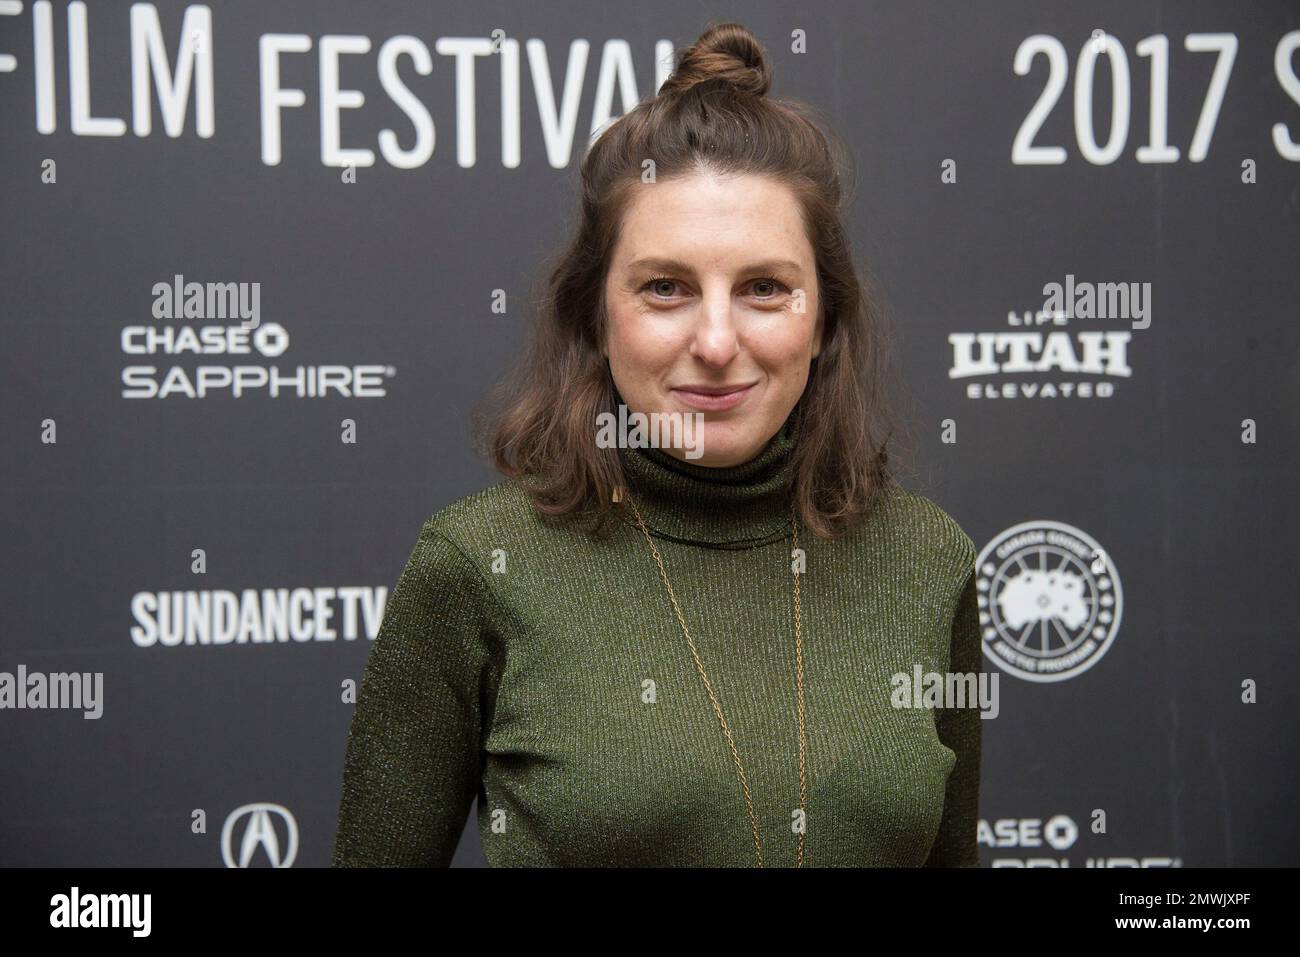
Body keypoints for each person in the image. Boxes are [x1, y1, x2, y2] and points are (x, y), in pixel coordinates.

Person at [332, 20, 981, 868]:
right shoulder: (477, 563)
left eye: (764, 288)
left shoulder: (927, 559)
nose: (716, 341)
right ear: (594, 315)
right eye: (666, 288)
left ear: (823, 319)